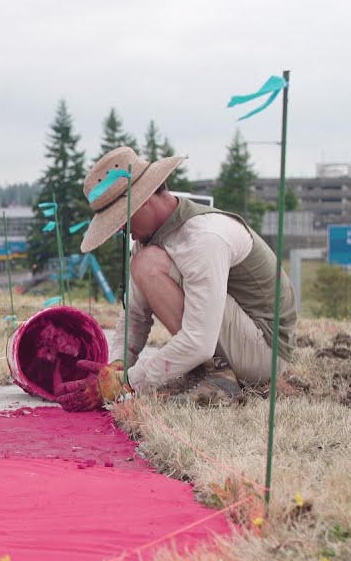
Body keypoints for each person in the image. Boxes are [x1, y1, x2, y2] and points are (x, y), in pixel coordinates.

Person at [55, 146, 296, 412]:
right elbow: (135, 314)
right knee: (145, 261)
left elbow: (199, 341)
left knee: (147, 263)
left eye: (120, 221)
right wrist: (119, 365)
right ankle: (212, 370)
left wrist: (129, 382)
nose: (122, 230)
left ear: (144, 199)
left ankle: (217, 376)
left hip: (263, 353)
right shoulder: (150, 237)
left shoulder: (203, 238)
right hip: (235, 338)